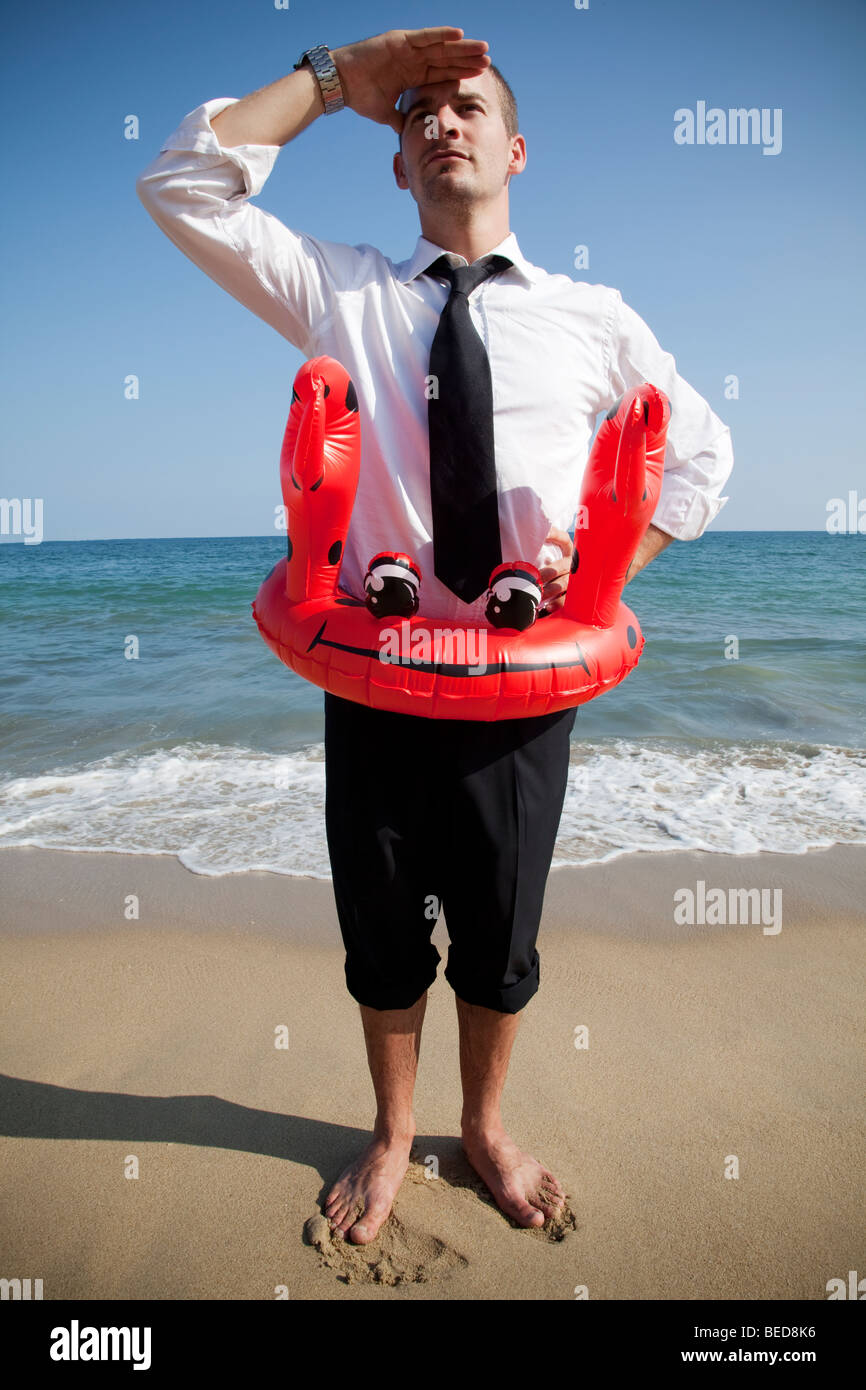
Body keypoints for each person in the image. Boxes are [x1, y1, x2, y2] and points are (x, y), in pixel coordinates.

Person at [136, 26, 733, 1246]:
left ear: (515, 150)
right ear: (396, 165)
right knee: (379, 934)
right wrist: (328, 83)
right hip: (376, 681)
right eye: (416, 116)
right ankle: (393, 1130)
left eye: (467, 109)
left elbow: (702, 457)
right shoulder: (341, 292)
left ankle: (487, 1126)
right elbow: (183, 184)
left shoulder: (589, 315)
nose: (441, 123)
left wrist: (601, 572)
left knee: (501, 941)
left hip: (522, 695)